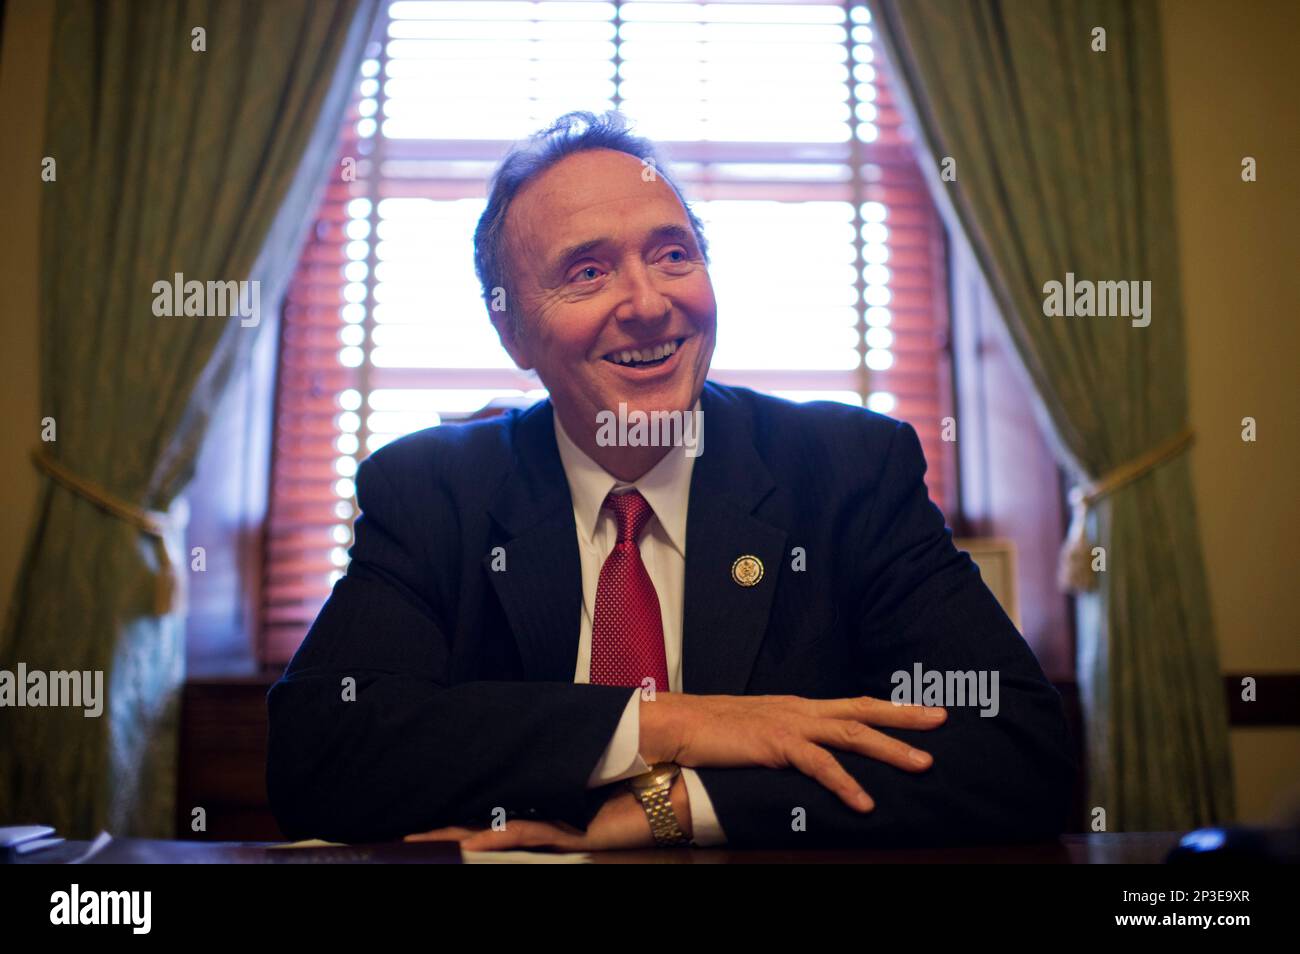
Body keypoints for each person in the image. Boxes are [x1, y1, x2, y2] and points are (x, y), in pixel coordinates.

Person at [266, 111, 1075, 851]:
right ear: (511, 327)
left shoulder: (846, 471)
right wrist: (665, 724)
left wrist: (675, 804)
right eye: (587, 272)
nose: (648, 303)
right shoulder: (433, 492)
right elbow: (318, 753)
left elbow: (1017, 748)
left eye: (673, 255)